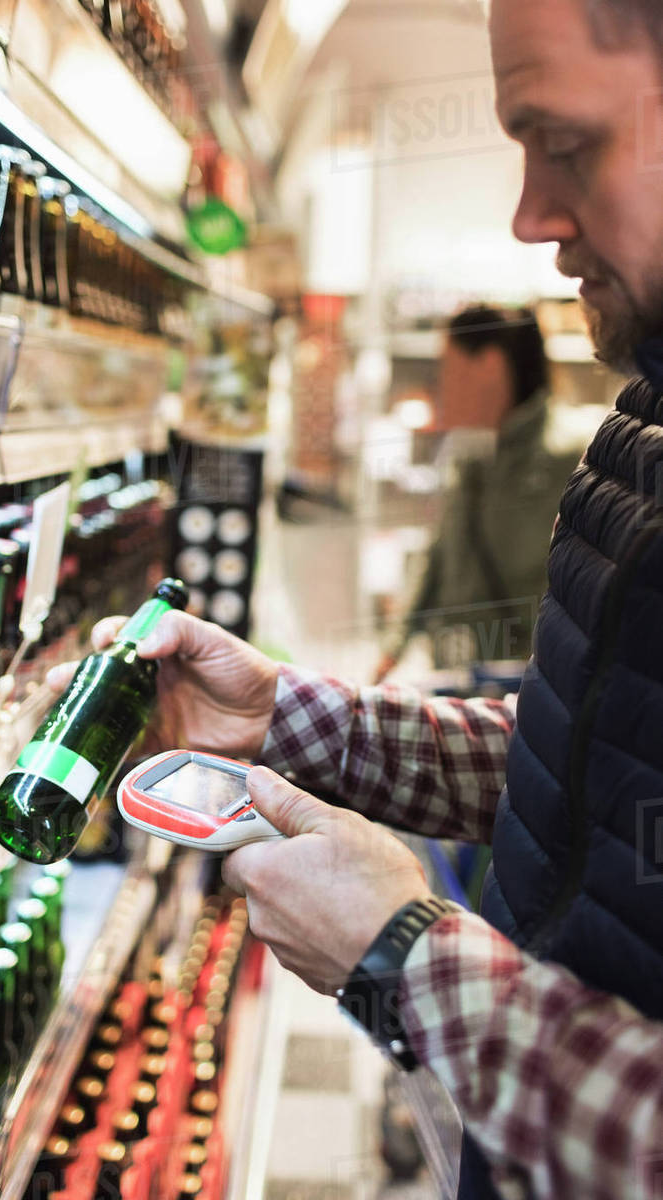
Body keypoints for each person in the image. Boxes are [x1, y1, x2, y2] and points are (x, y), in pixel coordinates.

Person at [50, 1, 663, 1195]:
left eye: (564, 142)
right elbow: (595, 754)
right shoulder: (640, 427)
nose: (527, 215)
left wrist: (407, 962)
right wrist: (297, 719)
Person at [377, 305, 592, 675]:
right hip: (459, 673)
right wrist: (391, 651)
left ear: (489, 367)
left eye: (448, 369)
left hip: (528, 682)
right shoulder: (471, 456)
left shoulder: (572, 455)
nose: (440, 386)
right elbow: (437, 554)